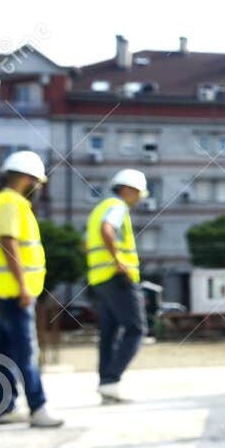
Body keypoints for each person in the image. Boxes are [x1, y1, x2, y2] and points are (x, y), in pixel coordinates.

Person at [0, 150, 63, 427]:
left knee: (8, 349)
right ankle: (38, 408)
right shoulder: (11, 203)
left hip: (3, 289)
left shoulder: (3, 201)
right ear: (27, 178)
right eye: (37, 182)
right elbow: (8, 243)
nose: (38, 188)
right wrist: (24, 285)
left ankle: (5, 408)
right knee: (26, 351)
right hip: (12, 290)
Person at [84, 168, 147, 403]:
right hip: (118, 277)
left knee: (108, 333)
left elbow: (87, 242)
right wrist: (119, 261)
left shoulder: (98, 209)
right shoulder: (118, 206)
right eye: (139, 192)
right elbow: (107, 230)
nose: (140, 198)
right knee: (136, 329)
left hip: (100, 279)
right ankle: (112, 379)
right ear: (128, 189)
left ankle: (106, 385)